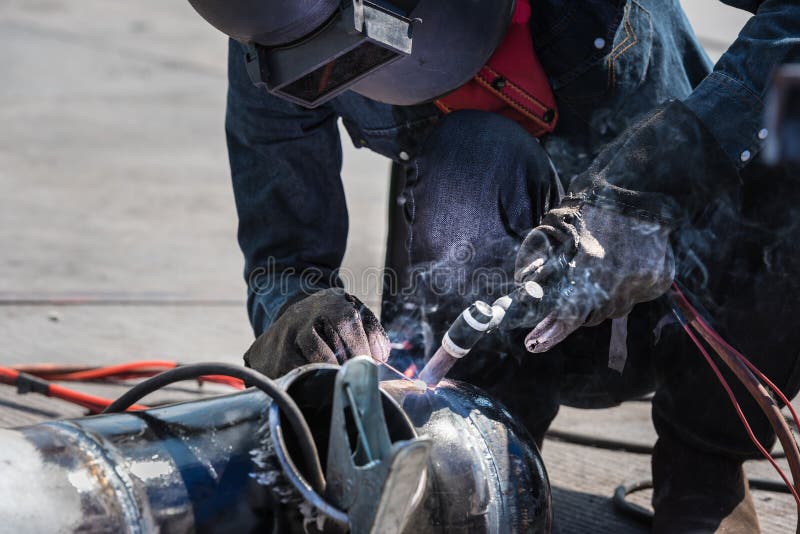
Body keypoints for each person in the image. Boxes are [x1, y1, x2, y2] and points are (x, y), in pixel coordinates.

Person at [189, 0, 800, 531]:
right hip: (503, 337)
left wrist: (657, 182)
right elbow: (284, 257)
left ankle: (704, 468)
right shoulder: (278, 40)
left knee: (790, 123)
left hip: (697, 299)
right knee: (475, 152)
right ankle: (484, 464)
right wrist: (297, 313)